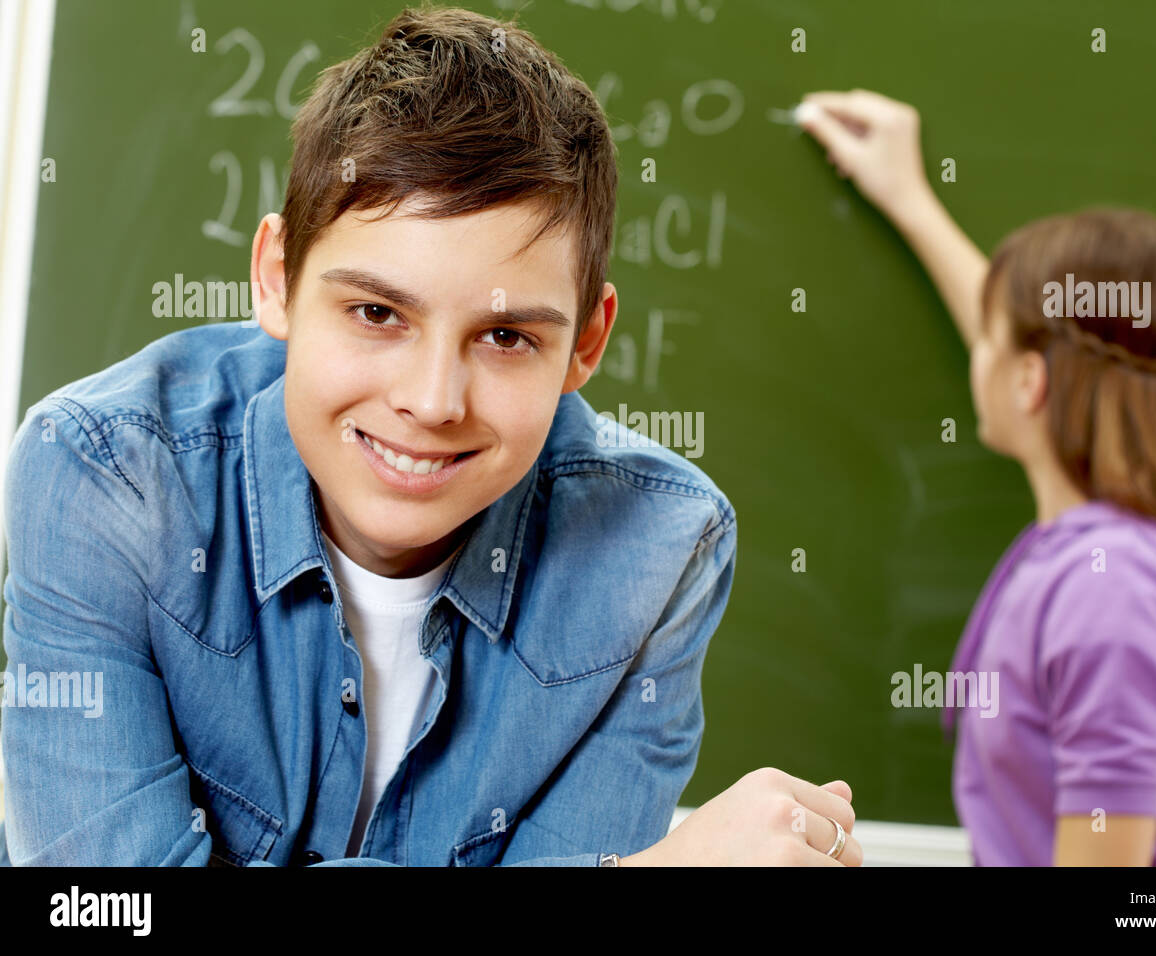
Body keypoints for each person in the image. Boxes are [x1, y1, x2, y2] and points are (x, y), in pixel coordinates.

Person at [0, 6, 861, 867]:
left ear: (586, 344)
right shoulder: (105, 476)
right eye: (377, 313)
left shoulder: (658, 551)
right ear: (276, 278)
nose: (432, 401)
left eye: (505, 337)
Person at [798, 89, 1156, 865]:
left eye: (990, 345)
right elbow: (1029, 345)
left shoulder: (1111, 594)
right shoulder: (1127, 561)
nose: (979, 359)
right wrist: (910, 200)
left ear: (1029, 383)